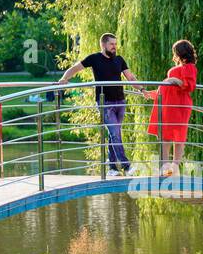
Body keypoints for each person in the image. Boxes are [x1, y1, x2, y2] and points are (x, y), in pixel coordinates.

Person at [57, 33, 141, 176]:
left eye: (115, 44)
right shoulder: (94, 58)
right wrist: (64, 78)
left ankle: (112, 168)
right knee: (115, 133)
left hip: (120, 101)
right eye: (111, 44)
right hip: (105, 103)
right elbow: (75, 68)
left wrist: (142, 89)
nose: (115, 47)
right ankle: (126, 167)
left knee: (114, 134)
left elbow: (130, 77)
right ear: (103, 45)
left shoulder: (119, 60)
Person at [145, 39, 198, 178]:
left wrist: (173, 81)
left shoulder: (189, 67)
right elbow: (167, 88)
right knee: (165, 137)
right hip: (168, 104)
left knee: (178, 137)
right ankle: (165, 170)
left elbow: (190, 85)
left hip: (178, 106)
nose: (174, 54)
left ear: (180, 52)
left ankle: (173, 169)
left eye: (175, 51)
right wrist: (153, 93)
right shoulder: (181, 67)